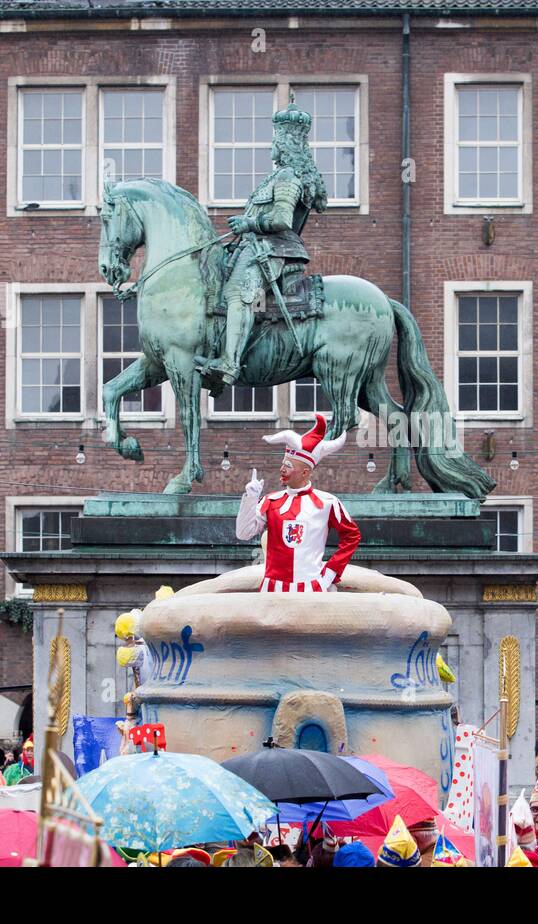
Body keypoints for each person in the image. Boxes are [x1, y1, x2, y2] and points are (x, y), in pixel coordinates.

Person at [206, 96, 327, 389]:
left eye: (276, 138)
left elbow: (282, 220)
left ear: (285, 141)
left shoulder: (288, 176)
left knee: (239, 295)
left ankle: (229, 363)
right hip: (258, 247)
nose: (272, 144)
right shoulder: (276, 176)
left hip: (276, 250)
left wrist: (248, 223)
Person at [235, 415, 361, 593]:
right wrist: (250, 498)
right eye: (282, 463)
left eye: (288, 465)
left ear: (305, 472)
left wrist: (329, 574)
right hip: (273, 592)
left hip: (312, 591)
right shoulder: (270, 501)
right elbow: (243, 533)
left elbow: (352, 536)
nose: (282, 469)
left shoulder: (328, 503)